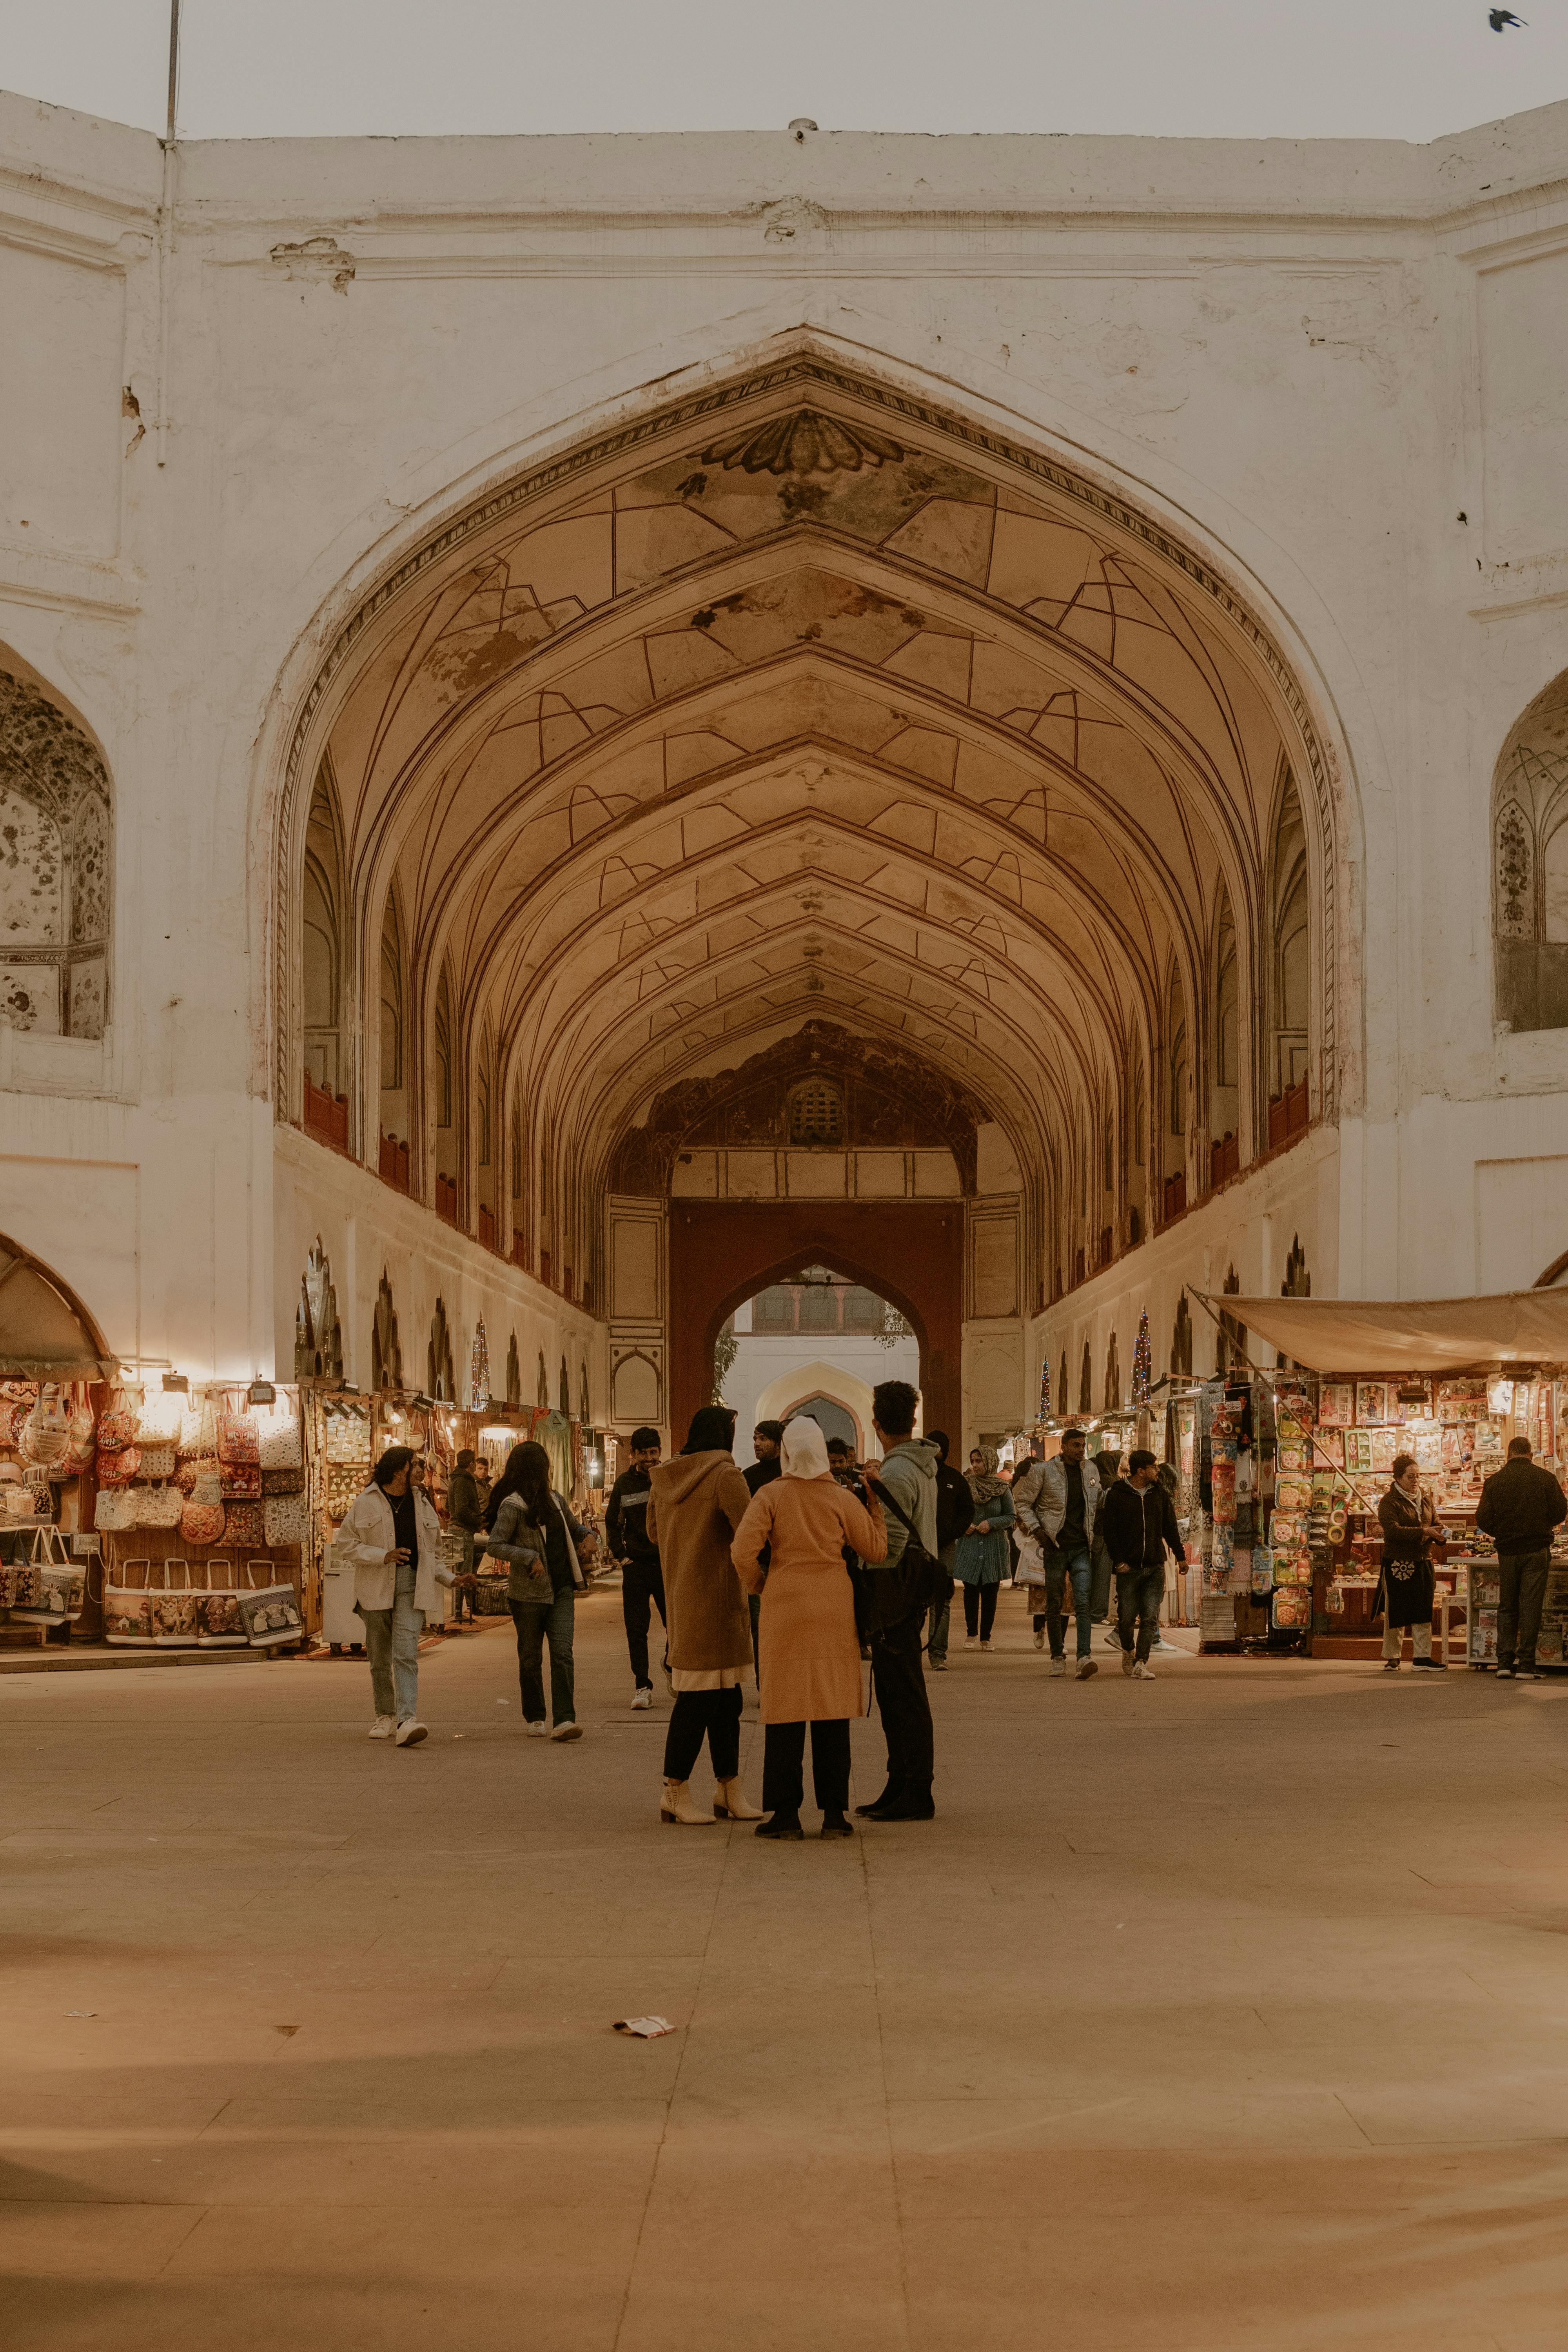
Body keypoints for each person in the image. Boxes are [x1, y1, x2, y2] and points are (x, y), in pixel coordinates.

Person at [731, 1418, 887, 1839]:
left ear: (785, 1452)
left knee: (783, 1711)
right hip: (833, 1608)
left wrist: (762, 1584)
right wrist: (874, 1504)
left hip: (784, 1607)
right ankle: (835, 1815)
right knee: (831, 1710)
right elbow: (874, 1549)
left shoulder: (771, 1494)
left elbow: (742, 1551)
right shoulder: (839, 1498)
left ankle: (785, 1815)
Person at [648, 1405, 761, 1823]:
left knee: (725, 1699)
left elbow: (652, 1535)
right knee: (698, 1703)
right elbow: (751, 1531)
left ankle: (728, 1789)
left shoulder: (663, 1479)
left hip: (682, 1597)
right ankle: (673, 1792)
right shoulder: (725, 1476)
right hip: (718, 1601)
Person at [337, 1444, 466, 1746]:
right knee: (380, 1658)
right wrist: (382, 1555)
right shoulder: (366, 1501)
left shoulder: (422, 1502)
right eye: (416, 1465)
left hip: (411, 1587)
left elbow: (431, 1553)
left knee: (406, 1653)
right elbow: (347, 1544)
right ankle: (385, 1715)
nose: (422, 1470)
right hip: (375, 1590)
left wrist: (451, 1579)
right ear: (399, 1470)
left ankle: (408, 1719)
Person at [856, 1381, 939, 1822]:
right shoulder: (922, 1466)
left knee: (903, 1695)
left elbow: (885, 1547)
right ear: (912, 1421)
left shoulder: (897, 1472)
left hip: (895, 1593)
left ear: (876, 1424)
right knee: (897, 1694)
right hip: (914, 1588)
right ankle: (900, 1782)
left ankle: (917, 1789)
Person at [482, 1441, 595, 1740]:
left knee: (562, 1653)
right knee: (530, 1657)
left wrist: (589, 1535)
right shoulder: (513, 1506)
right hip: (528, 1595)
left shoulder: (555, 1500)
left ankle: (565, 1719)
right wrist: (528, 1557)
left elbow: (575, 1527)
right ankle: (535, 1715)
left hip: (561, 1589)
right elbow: (495, 1545)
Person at [1477, 1434, 1568, 1680]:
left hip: (1508, 1551)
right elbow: (1561, 1512)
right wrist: (1540, 1526)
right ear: (1530, 1454)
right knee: (1530, 1606)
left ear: (1509, 1454)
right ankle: (1527, 1665)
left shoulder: (1495, 1481)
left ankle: (1504, 1663)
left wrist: (1503, 1532)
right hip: (1537, 1550)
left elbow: (1483, 1519)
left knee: (1507, 1606)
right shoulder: (1545, 1479)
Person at [1014, 1428, 1102, 1680]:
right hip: (1055, 1547)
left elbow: (1096, 1504)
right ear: (1063, 1447)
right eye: (1075, 1445)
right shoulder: (1043, 1471)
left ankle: (1084, 1656)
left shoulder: (1091, 1471)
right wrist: (1038, 1532)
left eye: (1083, 1445)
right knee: (1054, 1603)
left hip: (1081, 1548)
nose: (1080, 1449)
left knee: (1083, 1602)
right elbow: (1023, 1504)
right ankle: (1057, 1657)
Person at [1102, 1448, 1183, 1677]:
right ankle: (1128, 1650)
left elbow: (1170, 1527)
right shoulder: (1117, 1494)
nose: (1157, 1471)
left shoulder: (1159, 1494)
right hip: (1128, 1568)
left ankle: (1141, 1663)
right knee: (1127, 1618)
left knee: (1150, 1617)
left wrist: (1181, 1556)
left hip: (1154, 1566)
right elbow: (1110, 1531)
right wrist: (1119, 1562)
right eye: (1154, 1467)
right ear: (1141, 1471)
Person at [605, 1425, 666, 1710]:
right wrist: (622, 1557)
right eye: (643, 1454)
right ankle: (643, 1685)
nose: (649, 1459)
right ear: (633, 1455)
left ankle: (671, 1661)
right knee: (637, 1629)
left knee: (676, 1625)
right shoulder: (624, 1484)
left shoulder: (669, 1479)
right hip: (637, 1567)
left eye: (653, 1452)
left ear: (660, 1452)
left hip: (667, 1567)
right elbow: (613, 1522)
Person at [1374, 1453, 1441, 1673]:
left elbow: (1437, 1523)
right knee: (1396, 1610)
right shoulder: (1389, 1502)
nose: (1415, 1481)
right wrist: (1423, 1532)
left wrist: (1440, 1534)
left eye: (1418, 1476)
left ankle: (1422, 1657)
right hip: (1399, 1563)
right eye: (1411, 1476)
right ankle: (1393, 1656)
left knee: (1423, 1609)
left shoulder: (1426, 1499)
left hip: (1424, 1560)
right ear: (1398, 1478)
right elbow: (1393, 1531)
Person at [923, 1431, 974, 1671]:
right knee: (914, 1597)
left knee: (942, 1600)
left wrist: (952, 1533)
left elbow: (967, 1511)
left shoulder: (954, 1479)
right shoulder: (917, 1475)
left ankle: (937, 1653)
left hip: (944, 1547)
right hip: (917, 1547)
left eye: (940, 1449)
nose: (936, 1454)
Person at [955, 1446, 1014, 1650]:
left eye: (979, 1461)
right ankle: (971, 1633)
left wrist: (992, 1523)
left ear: (989, 1462)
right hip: (970, 1544)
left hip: (993, 1546)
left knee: (990, 1593)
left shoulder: (1002, 1488)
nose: (975, 1465)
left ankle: (986, 1637)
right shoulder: (965, 1485)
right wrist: (964, 1525)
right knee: (970, 1590)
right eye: (973, 1462)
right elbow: (956, 1513)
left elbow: (1011, 1516)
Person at [445, 1448, 485, 1625]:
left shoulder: (455, 1480)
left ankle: (457, 1610)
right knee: (464, 1572)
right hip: (463, 1530)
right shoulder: (464, 1481)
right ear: (471, 1465)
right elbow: (461, 1510)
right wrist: (478, 1521)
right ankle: (457, 1611)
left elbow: (449, 1506)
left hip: (457, 1529)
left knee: (460, 1571)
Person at [1091, 1448, 1123, 1647]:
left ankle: (1094, 1611)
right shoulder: (1110, 1482)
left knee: (1098, 1574)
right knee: (1102, 1575)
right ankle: (1097, 1613)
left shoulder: (1096, 1479)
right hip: (1104, 1534)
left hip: (1097, 1533)